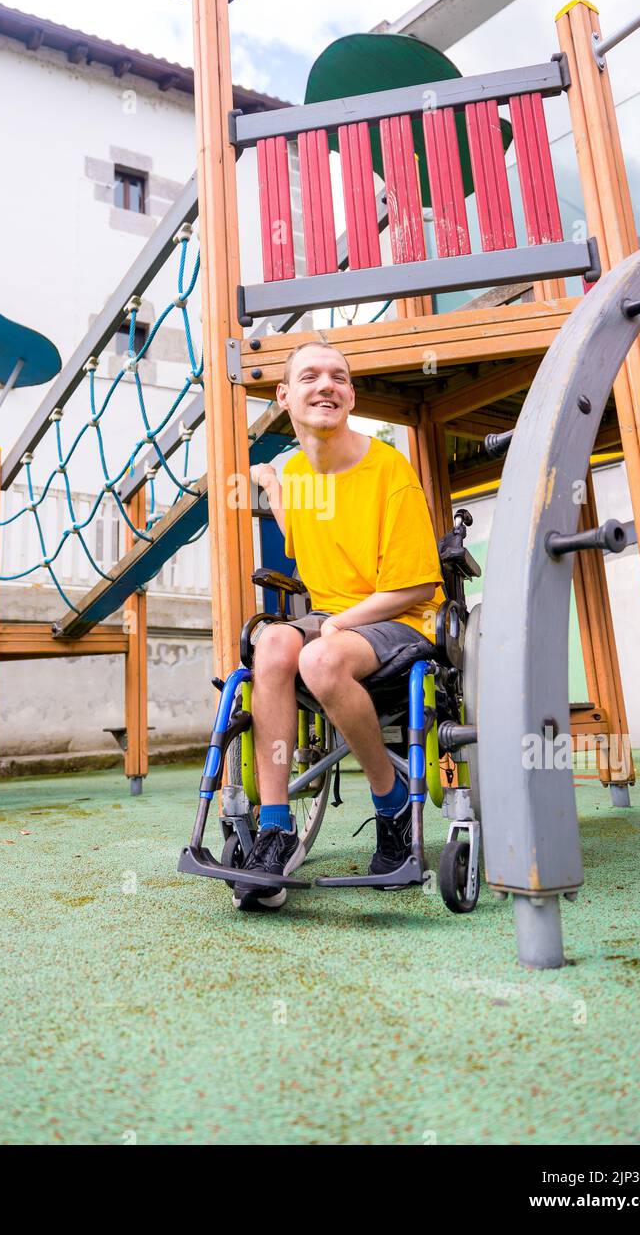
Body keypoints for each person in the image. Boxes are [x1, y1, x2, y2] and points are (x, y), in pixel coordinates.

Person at [236, 338, 444, 910]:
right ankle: (275, 829)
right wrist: (273, 487)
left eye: (338, 377)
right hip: (334, 620)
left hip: (401, 618)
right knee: (273, 642)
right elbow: (302, 537)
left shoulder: (388, 470)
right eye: (309, 376)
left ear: (350, 396)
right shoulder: (300, 471)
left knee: (319, 656)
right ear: (285, 395)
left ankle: (392, 801)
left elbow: (417, 586)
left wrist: (337, 626)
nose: (325, 384)